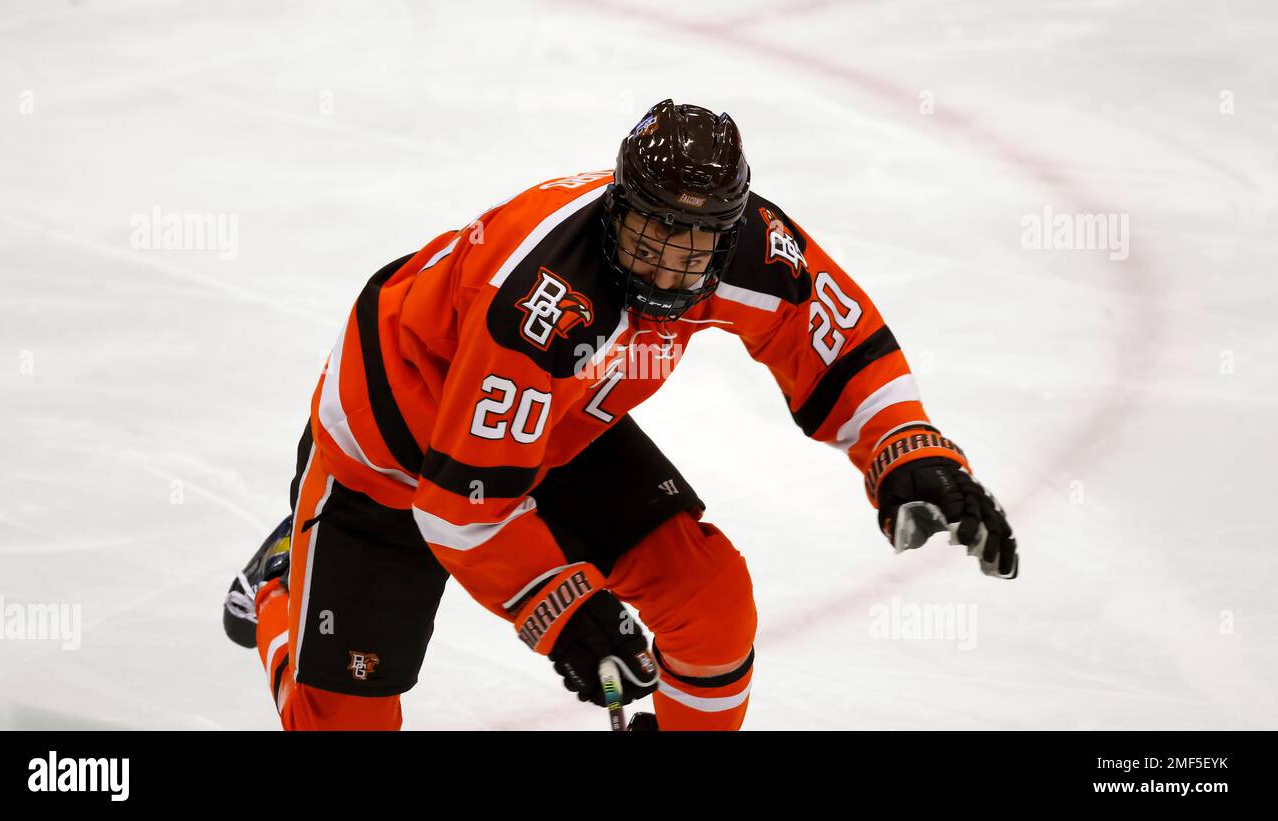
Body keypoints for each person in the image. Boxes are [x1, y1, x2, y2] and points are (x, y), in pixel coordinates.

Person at [222, 99, 1018, 731]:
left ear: (728, 232)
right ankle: (278, 586)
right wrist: (561, 610)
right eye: (650, 235)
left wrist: (905, 448)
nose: (669, 265)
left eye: (692, 244)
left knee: (712, 602)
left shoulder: (745, 248)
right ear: (616, 208)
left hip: (558, 429)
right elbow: (461, 507)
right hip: (392, 451)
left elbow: (831, 337)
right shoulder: (542, 303)